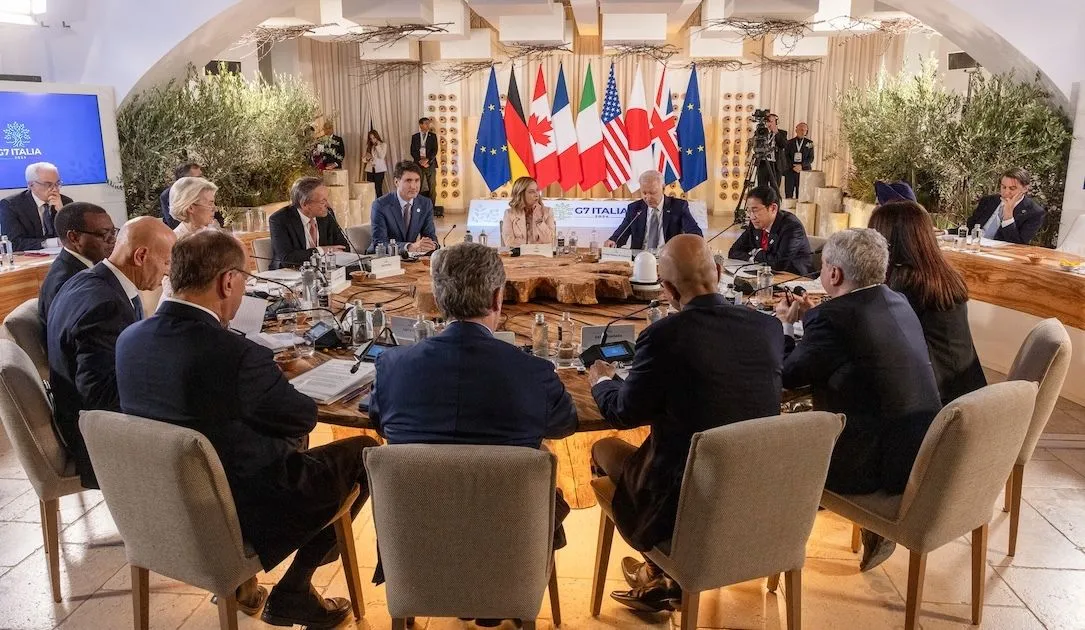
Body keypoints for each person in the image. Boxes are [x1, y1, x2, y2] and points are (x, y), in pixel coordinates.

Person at [114, 230, 375, 628]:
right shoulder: (237, 356)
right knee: (362, 453)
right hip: (238, 508)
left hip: (161, 505)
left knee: (286, 440)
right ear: (227, 281)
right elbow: (303, 417)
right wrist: (285, 377)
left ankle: (252, 585)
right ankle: (295, 589)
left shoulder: (130, 340)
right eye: (246, 281)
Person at [588, 234, 784, 612]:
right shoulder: (769, 329)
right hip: (757, 497)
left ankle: (659, 570)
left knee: (603, 448)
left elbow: (623, 413)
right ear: (720, 272)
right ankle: (661, 577)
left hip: (680, 504)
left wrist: (602, 381)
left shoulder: (664, 337)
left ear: (667, 290)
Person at [776, 228, 941, 572]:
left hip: (869, 466)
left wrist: (784, 327)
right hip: (920, 453)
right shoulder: (899, 301)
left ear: (834, 274)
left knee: (772, 438)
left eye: (822, 266)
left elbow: (788, 375)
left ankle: (771, 548)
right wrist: (811, 321)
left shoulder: (833, 319)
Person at [47, 217, 175, 489]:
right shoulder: (106, 306)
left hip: (74, 412)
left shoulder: (86, 278)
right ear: (140, 256)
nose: (167, 272)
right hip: (95, 440)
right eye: (166, 262)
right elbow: (100, 396)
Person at [869, 200, 987, 406]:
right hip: (966, 388)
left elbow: (879, 339)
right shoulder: (941, 274)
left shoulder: (905, 283)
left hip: (936, 399)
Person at [38, 202, 117, 329]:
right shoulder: (67, 282)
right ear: (74, 238)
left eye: (113, 232)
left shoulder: (87, 265)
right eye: (104, 234)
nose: (112, 240)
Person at [603, 171, 702, 250]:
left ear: (663, 188)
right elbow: (620, 234)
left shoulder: (678, 207)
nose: (648, 197)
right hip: (639, 258)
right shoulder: (634, 209)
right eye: (644, 193)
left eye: (652, 192)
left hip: (668, 259)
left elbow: (694, 233)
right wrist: (613, 241)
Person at [728, 185, 813, 275]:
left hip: (795, 277)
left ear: (773, 208)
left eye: (755, 210)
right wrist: (753, 258)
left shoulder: (792, 227)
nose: (752, 216)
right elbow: (733, 251)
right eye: (749, 211)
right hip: (764, 274)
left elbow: (778, 264)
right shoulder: (756, 223)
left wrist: (756, 253)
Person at [267, 176, 349, 269]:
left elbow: (344, 247)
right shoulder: (280, 220)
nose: (328, 205)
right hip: (289, 273)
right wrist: (322, 250)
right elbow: (287, 259)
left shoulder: (327, 214)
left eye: (327, 199)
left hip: (323, 271)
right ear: (305, 204)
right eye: (322, 201)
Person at [368, 161, 438, 255]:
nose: (413, 186)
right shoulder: (380, 205)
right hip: (383, 258)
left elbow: (430, 235)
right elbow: (380, 243)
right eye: (408, 181)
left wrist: (432, 245)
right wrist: (409, 247)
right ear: (396, 182)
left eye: (417, 180)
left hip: (410, 258)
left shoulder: (425, 203)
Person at [0, 162, 74, 251]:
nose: (55, 189)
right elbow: (13, 243)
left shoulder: (65, 202)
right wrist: (51, 243)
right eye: (48, 185)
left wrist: (62, 213)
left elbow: (75, 236)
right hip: (28, 258)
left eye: (57, 184)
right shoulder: (11, 205)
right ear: (31, 185)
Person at [963, 167, 1046, 245]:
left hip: (1000, 252)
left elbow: (1018, 245)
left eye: (1012, 188)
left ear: (1025, 189)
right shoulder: (989, 201)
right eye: (1004, 187)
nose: (1006, 192)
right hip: (973, 245)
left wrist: (1008, 216)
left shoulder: (1034, 212)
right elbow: (970, 227)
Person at [160, 163, 223, 229]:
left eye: (201, 177)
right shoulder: (167, 195)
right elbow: (172, 223)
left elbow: (218, 217)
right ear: (184, 180)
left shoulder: (204, 192)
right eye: (198, 178)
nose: (202, 180)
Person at [501, 176, 556, 247]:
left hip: (541, 253)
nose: (536, 195)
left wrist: (539, 220)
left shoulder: (548, 211)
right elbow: (509, 243)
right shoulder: (509, 213)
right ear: (521, 194)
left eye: (537, 190)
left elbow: (550, 241)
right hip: (519, 253)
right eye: (531, 192)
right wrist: (531, 246)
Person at [409, 118, 438, 203]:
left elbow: (435, 150)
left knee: (432, 186)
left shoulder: (433, 136)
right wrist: (420, 161)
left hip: (430, 164)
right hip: (418, 164)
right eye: (426, 123)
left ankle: (431, 207)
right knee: (417, 185)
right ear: (420, 125)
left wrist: (427, 160)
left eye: (429, 123)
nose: (428, 125)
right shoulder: (415, 137)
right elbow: (412, 151)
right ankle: (418, 205)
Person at [783, 122, 814, 199]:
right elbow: (785, 156)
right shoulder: (789, 142)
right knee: (788, 194)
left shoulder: (810, 143)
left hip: (804, 171)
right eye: (801, 130)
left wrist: (801, 166)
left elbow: (811, 158)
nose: (803, 132)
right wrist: (793, 166)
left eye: (805, 130)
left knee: (801, 194)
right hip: (790, 170)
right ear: (796, 130)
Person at [363, 129, 388, 197]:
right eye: (371, 138)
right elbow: (363, 159)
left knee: (378, 189)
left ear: (377, 137)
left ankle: (380, 203)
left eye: (374, 138)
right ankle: (371, 203)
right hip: (370, 170)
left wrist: (377, 146)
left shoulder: (383, 145)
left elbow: (382, 156)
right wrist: (367, 158)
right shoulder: (369, 146)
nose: (372, 140)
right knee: (370, 189)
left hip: (379, 170)